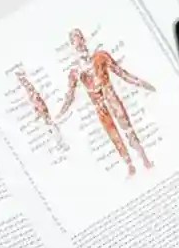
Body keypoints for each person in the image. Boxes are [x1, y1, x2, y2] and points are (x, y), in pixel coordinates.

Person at [56, 28, 156, 176]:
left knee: (127, 127)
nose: (79, 45)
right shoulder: (75, 72)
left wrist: (141, 83)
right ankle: (129, 165)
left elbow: (122, 74)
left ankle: (144, 159)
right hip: (100, 106)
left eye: (80, 40)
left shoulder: (101, 56)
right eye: (75, 42)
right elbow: (70, 96)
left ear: (84, 40)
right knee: (113, 134)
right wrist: (59, 114)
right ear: (72, 46)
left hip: (111, 97)